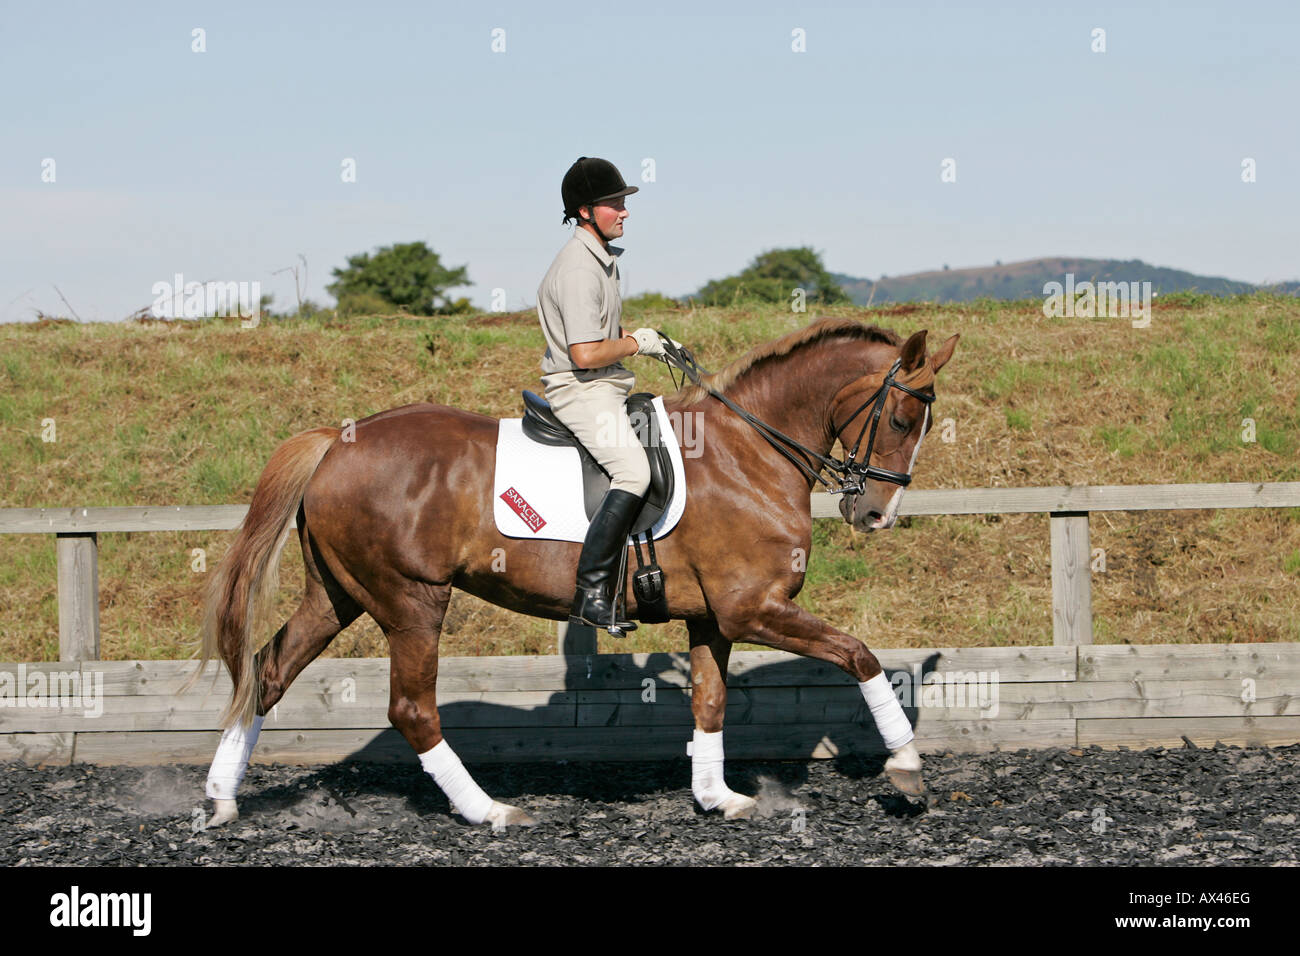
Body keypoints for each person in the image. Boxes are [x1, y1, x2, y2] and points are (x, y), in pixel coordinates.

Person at [536, 156, 668, 635]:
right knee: (633, 471)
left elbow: (598, 335)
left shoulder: (599, 261)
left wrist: (646, 340)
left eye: (623, 203)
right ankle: (591, 593)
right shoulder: (578, 269)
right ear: (586, 211)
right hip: (582, 390)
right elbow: (586, 352)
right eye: (615, 203)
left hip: (603, 385)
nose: (624, 211)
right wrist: (636, 344)